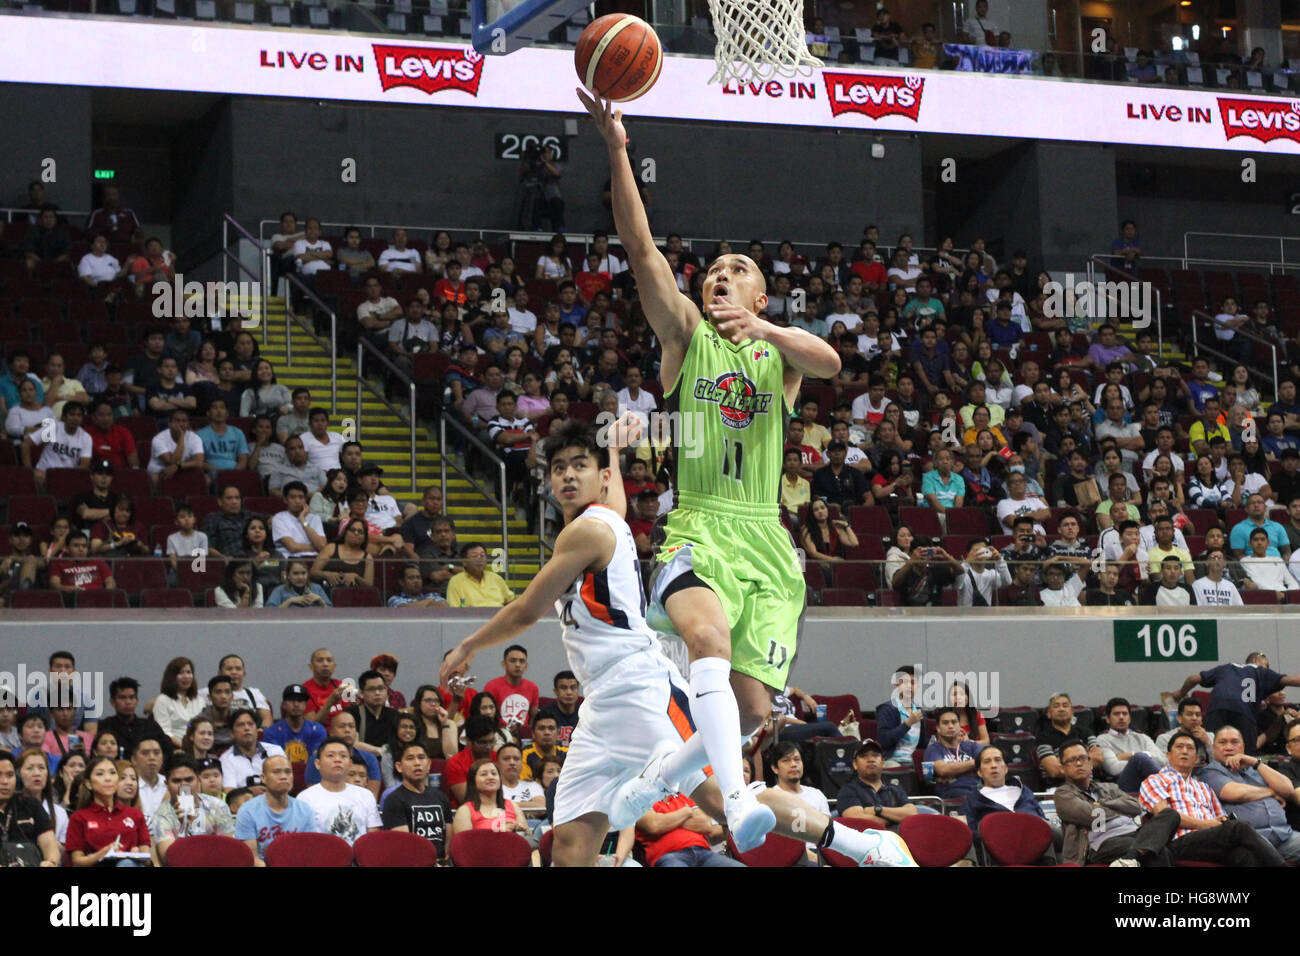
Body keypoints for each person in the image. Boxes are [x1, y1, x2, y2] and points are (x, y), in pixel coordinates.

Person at [441, 418, 911, 865]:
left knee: (724, 802)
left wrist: (467, 647)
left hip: (642, 689)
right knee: (569, 842)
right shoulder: (607, 517)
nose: (567, 475)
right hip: (601, 706)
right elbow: (619, 505)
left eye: (579, 466)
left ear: (599, 478)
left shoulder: (586, 531)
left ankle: (864, 847)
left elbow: (526, 610)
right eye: (559, 468)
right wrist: (612, 451)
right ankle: (655, 780)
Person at [580, 89, 848, 853]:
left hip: (766, 535)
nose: (719, 276)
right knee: (707, 643)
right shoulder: (687, 335)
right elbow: (641, 251)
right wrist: (618, 149)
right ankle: (733, 797)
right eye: (714, 270)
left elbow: (829, 361)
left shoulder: (778, 355)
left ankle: (654, 781)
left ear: (761, 294)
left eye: (738, 270)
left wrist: (765, 327)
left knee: (758, 713)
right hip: (701, 519)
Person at [1138, 732, 1287, 866]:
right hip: (1178, 841)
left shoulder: (1204, 787)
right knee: (1239, 828)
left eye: (1190, 748)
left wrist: (1219, 823)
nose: (1184, 751)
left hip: (1209, 841)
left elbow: (1220, 819)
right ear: (1168, 755)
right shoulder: (1155, 780)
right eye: (1179, 747)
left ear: (1196, 758)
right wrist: (1206, 824)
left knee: (1245, 855)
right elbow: (1164, 816)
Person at [1200, 725, 1300, 862]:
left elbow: (1287, 789)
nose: (1229, 747)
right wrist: (1271, 792)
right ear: (1213, 747)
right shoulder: (1209, 772)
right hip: (1252, 840)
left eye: (1234, 742)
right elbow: (1233, 792)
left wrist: (1255, 762)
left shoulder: (1256, 769)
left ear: (1243, 747)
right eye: (1222, 742)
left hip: (1284, 835)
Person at [1171, 651, 1300, 756]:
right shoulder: (1262, 672)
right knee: (1247, 756)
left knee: (1211, 748)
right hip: (1244, 714)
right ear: (1255, 661)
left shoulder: (1226, 668)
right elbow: (1293, 680)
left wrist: (1180, 693)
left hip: (1216, 711)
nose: (1267, 669)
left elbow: (1193, 679)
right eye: (1266, 665)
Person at [962, 746, 1052, 853]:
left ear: (1005, 769)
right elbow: (969, 833)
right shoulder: (973, 799)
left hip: (1036, 844)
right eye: (987, 762)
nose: (994, 765)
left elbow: (1041, 817)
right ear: (979, 772)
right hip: (999, 851)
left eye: (998, 760)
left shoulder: (1024, 791)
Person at [66, 755, 153, 867]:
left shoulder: (135, 814)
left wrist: (137, 855)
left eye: (112, 773)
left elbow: (146, 857)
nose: (108, 778)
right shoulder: (79, 817)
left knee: (127, 863)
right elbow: (77, 862)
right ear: (88, 784)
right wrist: (101, 854)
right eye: (100, 774)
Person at [150, 753, 235, 864]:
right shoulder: (162, 815)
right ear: (167, 784)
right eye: (176, 781)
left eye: (189, 780)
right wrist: (184, 827)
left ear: (198, 779)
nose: (184, 786)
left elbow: (229, 849)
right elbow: (170, 860)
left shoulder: (218, 806)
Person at [234, 753, 318, 865]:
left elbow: (308, 854)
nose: (284, 776)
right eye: (276, 772)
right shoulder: (247, 811)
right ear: (263, 778)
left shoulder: (305, 810)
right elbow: (253, 859)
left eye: (288, 772)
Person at [296, 737, 381, 846]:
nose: (337, 760)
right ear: (317, 764)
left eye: (343, 756)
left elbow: (373, 838)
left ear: (350, 764)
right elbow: (304, 842)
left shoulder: (366, 795)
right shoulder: (305, 799)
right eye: (330, 755)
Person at [380, 739, 451, 857]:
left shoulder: (441, 797)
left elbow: (448, 841)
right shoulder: (394, 800)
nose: (417, 763)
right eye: (410, 758)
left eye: (421, 757)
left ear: (429, 764)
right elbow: (403, 846)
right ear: (399, 767)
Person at [835, 738, 922, 823]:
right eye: (864, 756)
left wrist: (877, 810)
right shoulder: (848, 790)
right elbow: (858, 820)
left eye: (875, 755)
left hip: (896, 837)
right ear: (855, 764)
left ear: (883, 763)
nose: (870, 759)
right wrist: (894, 820)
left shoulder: (895, 789)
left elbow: (912, 814)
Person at [0, 751, 61, 866]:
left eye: (10, 775)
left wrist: (51, 862)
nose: (5, 781)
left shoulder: (32, 805)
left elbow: (49, 843)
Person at [1096, 697, 1166, 792]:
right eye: (1116, 714)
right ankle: (1173, 787)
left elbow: (1162, 760)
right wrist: (1139, 759)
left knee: (1140, 758)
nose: (1121, 717)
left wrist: (1131, 755)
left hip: (1149, 783)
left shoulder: (1142, 737)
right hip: (1122, 786)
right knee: (1140, 759)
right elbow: (1113, 768)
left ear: (1129, 718)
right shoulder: (1103, 739)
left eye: (1125, 714)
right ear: (1108, 719)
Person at [219, 710, 286, 795]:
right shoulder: (226, 760)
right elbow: (229, 792)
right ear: (232, 733)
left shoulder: (275, 751)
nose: (247, 728)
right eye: (241, 725)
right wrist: (250, 792)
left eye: (250, 724)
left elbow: (286, 782)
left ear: (258, 729)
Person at [261, 684, 327, 767]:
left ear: (306, 704)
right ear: (284, 704)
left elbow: (317, 761)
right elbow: (275, 763)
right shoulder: (272, 732)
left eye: (300, 700)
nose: (296, 704)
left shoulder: (317, 730)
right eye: (291, 700)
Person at [482, 645, 540, 732]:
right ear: (504, 664)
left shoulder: (533, 687)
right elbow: (487, 716)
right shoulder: (492, 686)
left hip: (523, 735)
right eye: (513, 661)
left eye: (522, 661)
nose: (517, 665)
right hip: (499, 733)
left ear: (526, 666)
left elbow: (534, 717)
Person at [152, 657, 204, 748]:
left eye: (189, 672)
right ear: (171, 677)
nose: (186, 676)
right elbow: (164, 732)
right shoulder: (163, 700)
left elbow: (203, 726)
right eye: (181, 673)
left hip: (198, 746)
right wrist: (184, 747)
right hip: (173, 747)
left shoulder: (199, 700)